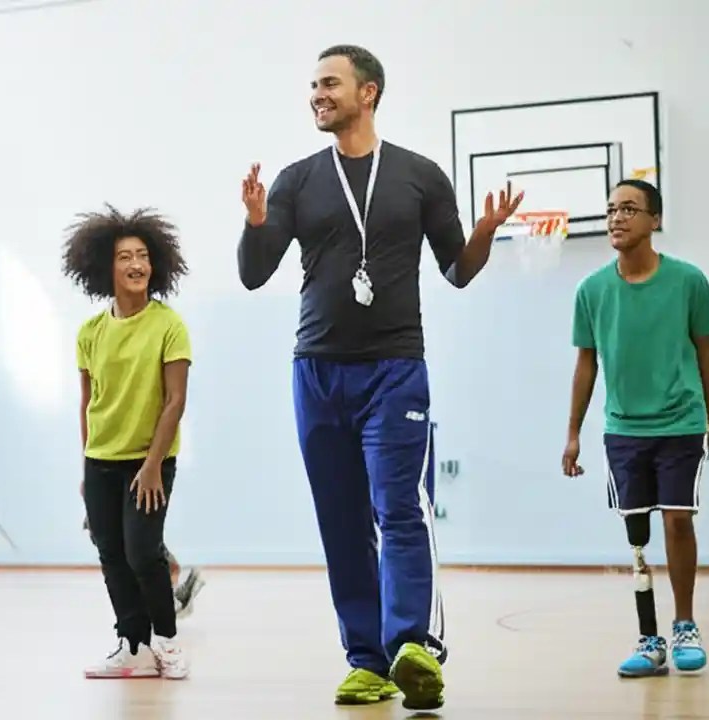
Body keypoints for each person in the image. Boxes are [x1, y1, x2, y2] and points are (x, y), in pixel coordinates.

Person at [235, 45, 522, 710]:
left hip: (395, 371)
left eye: (329, 83)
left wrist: (481, 233)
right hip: (316, 372)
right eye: (311, 85)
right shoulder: (296, 180)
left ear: (369, 92)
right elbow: (254, 272)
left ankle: (412, 645)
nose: (316, 94)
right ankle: (364, 660)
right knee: (341, 521)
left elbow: (457, 269)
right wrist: (254, 223)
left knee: (399, 509)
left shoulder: (419, 177)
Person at [562, 179, 709, 678]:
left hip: (681, 421)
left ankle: (686, 625)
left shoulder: (689, 281)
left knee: (677, 519)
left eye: (629, 208)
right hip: (623, 428)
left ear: (655, 220)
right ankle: (649, 640)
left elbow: (705, 357)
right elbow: (585, 366)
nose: (616, 218)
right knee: (635, 535)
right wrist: (573, 433)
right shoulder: (591, 290)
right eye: (610, 209)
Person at [64, 204, 192, 680]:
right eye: (125, 257)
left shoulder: (169, 325)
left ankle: (168, 640)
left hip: (149, 460)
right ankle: (132, 644)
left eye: (142, 256)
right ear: (106, 266)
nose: (136, 264)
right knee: (111, 554)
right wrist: (85, 472)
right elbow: (88, 405)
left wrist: (154, 463)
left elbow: (175, 400)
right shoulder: (90, 332)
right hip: (101, 462)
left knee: (143, 551)